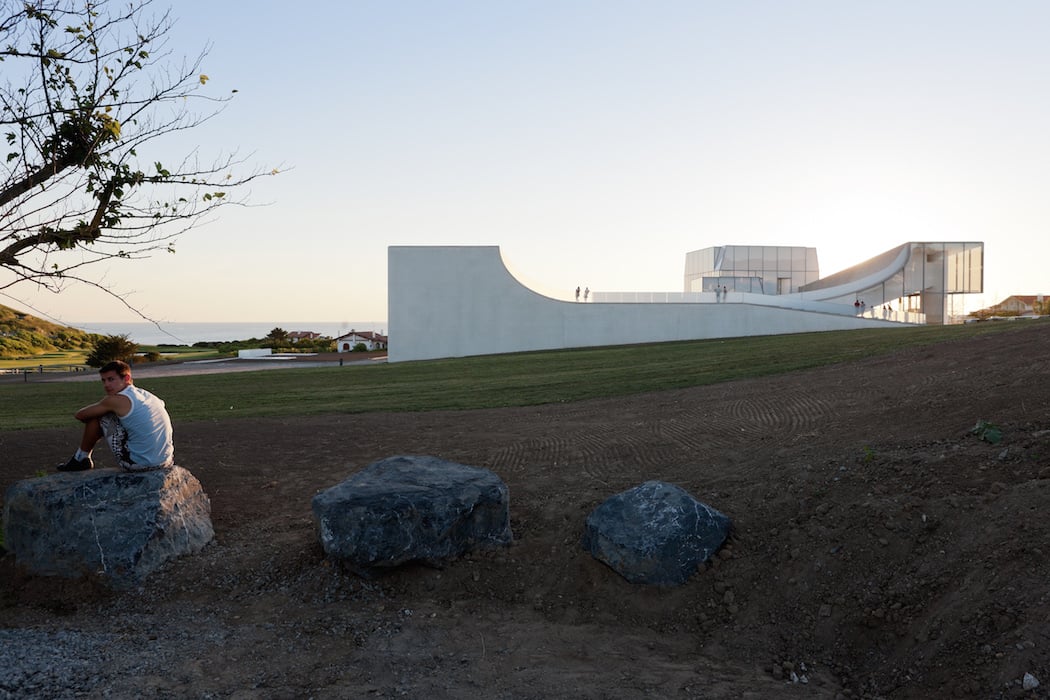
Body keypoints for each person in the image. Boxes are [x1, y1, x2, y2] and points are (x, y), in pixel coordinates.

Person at [59, 360, 174, 472]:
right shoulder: (149, 396)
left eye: (111, 379)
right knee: (117, 416)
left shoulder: (115, 400)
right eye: (103, 381)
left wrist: (105, 413)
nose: (106, 385)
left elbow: (80, 415)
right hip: (166, 462)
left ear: (127, 378)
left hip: (139, 465)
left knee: (100, 417)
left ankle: (81, 458)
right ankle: (82, 458)